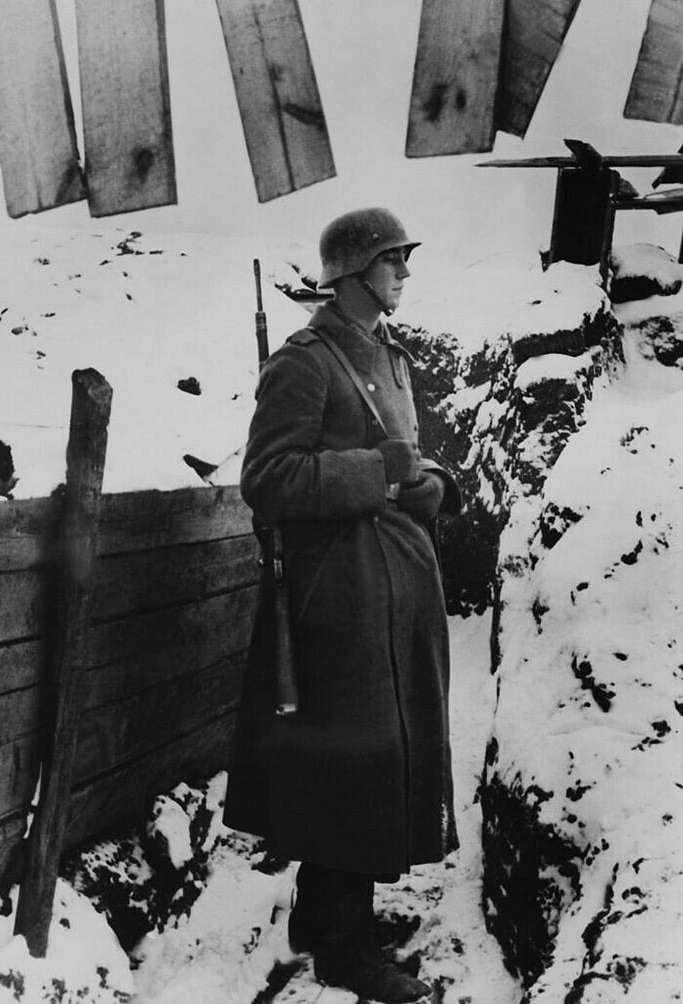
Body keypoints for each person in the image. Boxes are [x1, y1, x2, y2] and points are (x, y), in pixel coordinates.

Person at [224, 207, 461, 1003]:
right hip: (340, 602)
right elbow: (268, 479)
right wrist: (375, 472)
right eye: (394, 259)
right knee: (355, 768)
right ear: (354, 272)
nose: (404, 272)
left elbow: (403, 466)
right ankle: (343, 951)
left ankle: (328, 916)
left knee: (383, 758)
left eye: (403, 257)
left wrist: (427, 485)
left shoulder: (390, 358)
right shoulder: (305, 362)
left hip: (396, 591)